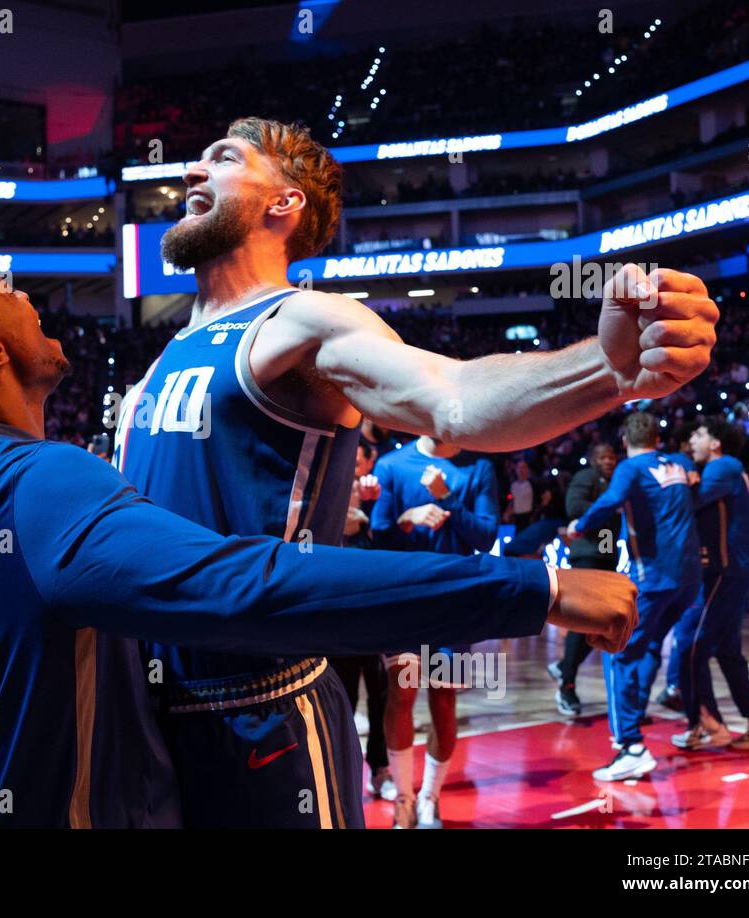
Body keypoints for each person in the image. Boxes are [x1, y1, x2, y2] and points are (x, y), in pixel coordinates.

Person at [0, 259, 636, 828]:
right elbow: (251, 586)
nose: (24, 295)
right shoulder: (42, 482)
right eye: (3, 293)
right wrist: (536, 589)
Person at [112, 117, 717, 825]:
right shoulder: (159, 364)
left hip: (262, 718)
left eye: (222, 159)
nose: (191, 170)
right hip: (147, 718)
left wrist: (607, 369)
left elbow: (455, 400)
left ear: (284, 204)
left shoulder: (303, 321)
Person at [370, 436, 499, 828]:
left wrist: (447, 499)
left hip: (455, 600)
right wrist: (408, 518)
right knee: (402, 691)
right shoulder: (392, 465)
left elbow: (486, 536)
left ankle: (430, 797)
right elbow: (380, 533)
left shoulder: (478, 467)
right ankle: (404, 799)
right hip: (407, 597)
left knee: (443, 699)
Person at [568, 412, 701, 781]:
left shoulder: (630, 469)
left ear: (626, 441)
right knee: (652, 643)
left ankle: (630, 746)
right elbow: (695, 486)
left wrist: (580, 525)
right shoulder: (681, 462)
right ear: (658, 438)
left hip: (653, 576)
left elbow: (610, 502)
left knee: (619, 652)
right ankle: (637, 712)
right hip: (689, 578)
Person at [671, 417, 749, 750]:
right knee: (727, 650)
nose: (693, 438)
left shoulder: (721, 468)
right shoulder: (732, 468)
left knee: (690, 647)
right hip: (737, 568)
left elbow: (689, 503)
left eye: (700, 433)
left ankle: (710, 725)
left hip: (724, 570)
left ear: (716, 444)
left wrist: (684, 479)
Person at [330, 440, 393, 801]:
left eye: (358, 457)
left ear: (370, 461)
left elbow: (390, 544)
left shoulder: (377, 492)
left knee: (383, 694)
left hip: (376, 613)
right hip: (339, 617)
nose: (352, 462)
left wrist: (367, 514)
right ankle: (344, 770)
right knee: (343, 696)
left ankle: (380, 769)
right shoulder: (328, 488)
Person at [549, 443, 620, 716]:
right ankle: (566, 685)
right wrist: (609, 507)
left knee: (602, 627)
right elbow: (573, 507)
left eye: (612, 456)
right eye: (603, 457)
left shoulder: (616, 481)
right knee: (581, 624)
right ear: (593, 459)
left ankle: (564, 666)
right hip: (586, 556)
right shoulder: (585, 478)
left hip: (606, 556)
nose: (608, 461)